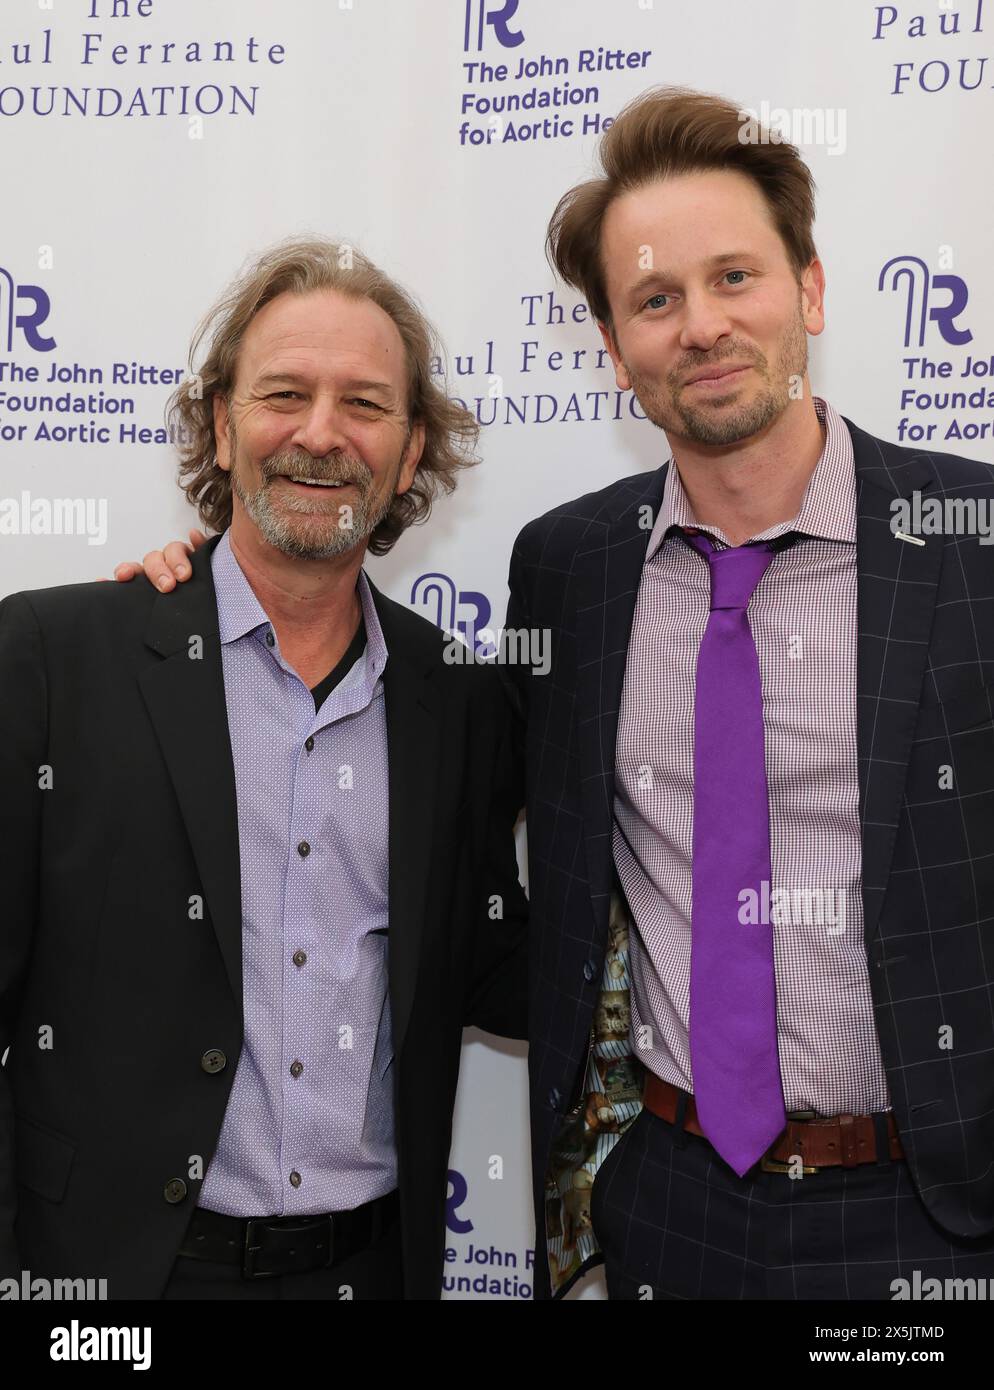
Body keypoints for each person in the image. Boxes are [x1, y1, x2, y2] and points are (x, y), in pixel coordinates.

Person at [122, 88, 994, 1304]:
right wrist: (171, 607)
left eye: (734, 275)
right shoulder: (571, 571)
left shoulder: (970, 543)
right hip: (672, 1206)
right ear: (610, 345)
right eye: (653, 298)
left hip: (939, 1217)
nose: (699, 325)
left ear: (810, 288)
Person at [0, 237, 528, 1302]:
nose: (322, 433)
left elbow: (501, 967)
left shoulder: (460, 702)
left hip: (370, 1270)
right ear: (220, 421)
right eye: (285, 392)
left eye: (366, 404)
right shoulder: (55, 660)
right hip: (106, 1283)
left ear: (411, 446)